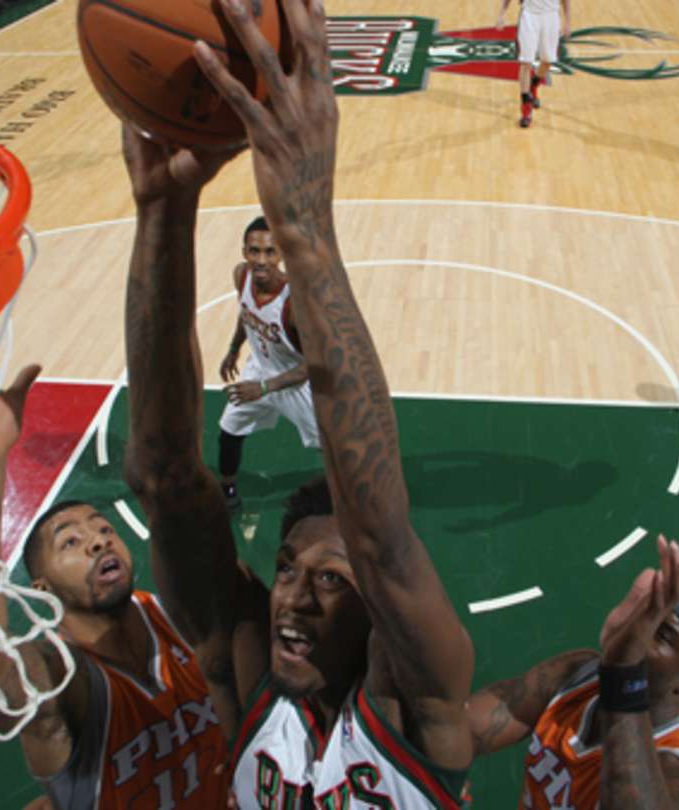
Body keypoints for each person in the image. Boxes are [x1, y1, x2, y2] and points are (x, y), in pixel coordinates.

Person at [122, 0, 476, 805]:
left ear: (383, 612)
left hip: (304, 386)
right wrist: (162, 213)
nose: (293, 593)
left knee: (356, 487)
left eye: (328, 579)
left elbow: (383, 537)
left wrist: (306, 223)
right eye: (288, 569)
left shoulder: (422, 706)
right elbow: (165, 478)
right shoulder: (248, 674)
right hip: (268, 379)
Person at [0, 361, 230, 809]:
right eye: (70, 541)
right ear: (41, 588)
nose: (97, 541)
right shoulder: (61, 675)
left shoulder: (175, 616)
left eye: (103, 529)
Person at [468, 537, 679, 809]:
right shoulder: (575, 675)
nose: (638, 633)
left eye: (661, 634)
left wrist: (623, 670)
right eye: (642, 615)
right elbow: (464, 726)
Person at [216, 215, 318, 511]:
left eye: (270, 252)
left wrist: (264, 388)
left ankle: (352, 493)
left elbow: (314, 364)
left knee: (333, 446)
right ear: (244, 252)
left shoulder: (295, 303)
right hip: (257, 372)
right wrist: (234, 348)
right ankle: (228, 489)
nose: (261, 260)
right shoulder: (241, 276)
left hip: (296, 382)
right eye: (254, 251)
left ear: (282, 254)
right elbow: (245, 311)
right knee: (228, 432)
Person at [497, 0, 570, 129]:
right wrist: (502, 14)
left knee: (547, 61)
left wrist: (567, 21)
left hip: (551, 15)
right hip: (529, 15)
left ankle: (533, 84)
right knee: (526, 62)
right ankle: (526, 109)